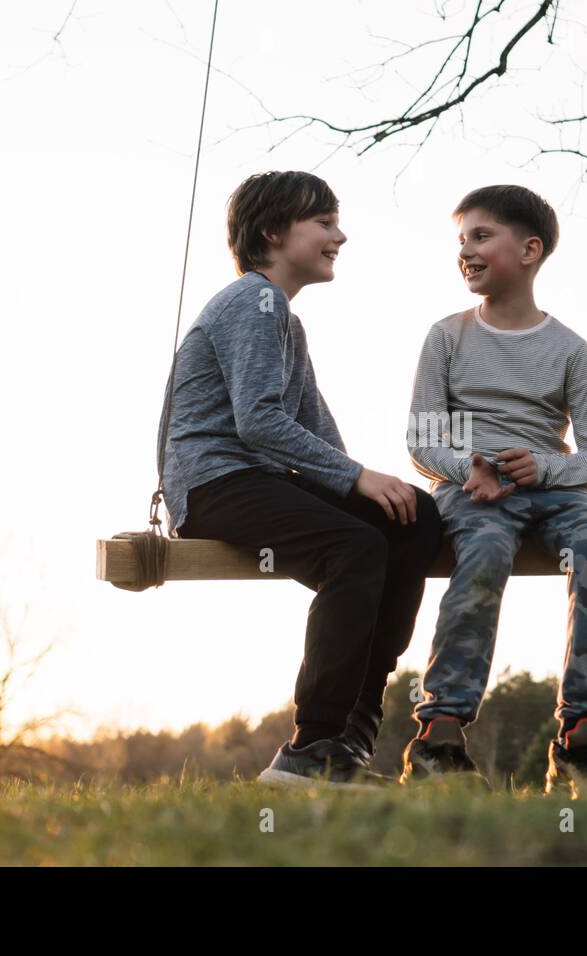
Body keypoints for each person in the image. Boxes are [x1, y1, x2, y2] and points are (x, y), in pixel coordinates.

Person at [157, 170, 444, 789]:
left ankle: (350, 737)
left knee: (411, 516)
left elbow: (313, 424)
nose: (340, 235)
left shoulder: (284, 319)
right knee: (355, 546)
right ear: (272, 232)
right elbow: (257, 421)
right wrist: (355, 479)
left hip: (257, 477)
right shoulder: (253, 301)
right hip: (215, 483)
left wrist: (366, 489)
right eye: (324, 222)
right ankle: (311, 745)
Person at [402, 184, 587, 795]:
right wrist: (463, 466)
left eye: (481, 236)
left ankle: (582, 735)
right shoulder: (445, 337)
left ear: (529, 250)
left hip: (552, 488)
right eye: (461, 240)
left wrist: (545, 468)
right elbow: (421, 442)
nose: (466, 251)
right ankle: (440, 734)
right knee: (485, 553)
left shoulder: (570, 349)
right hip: (472, 489)